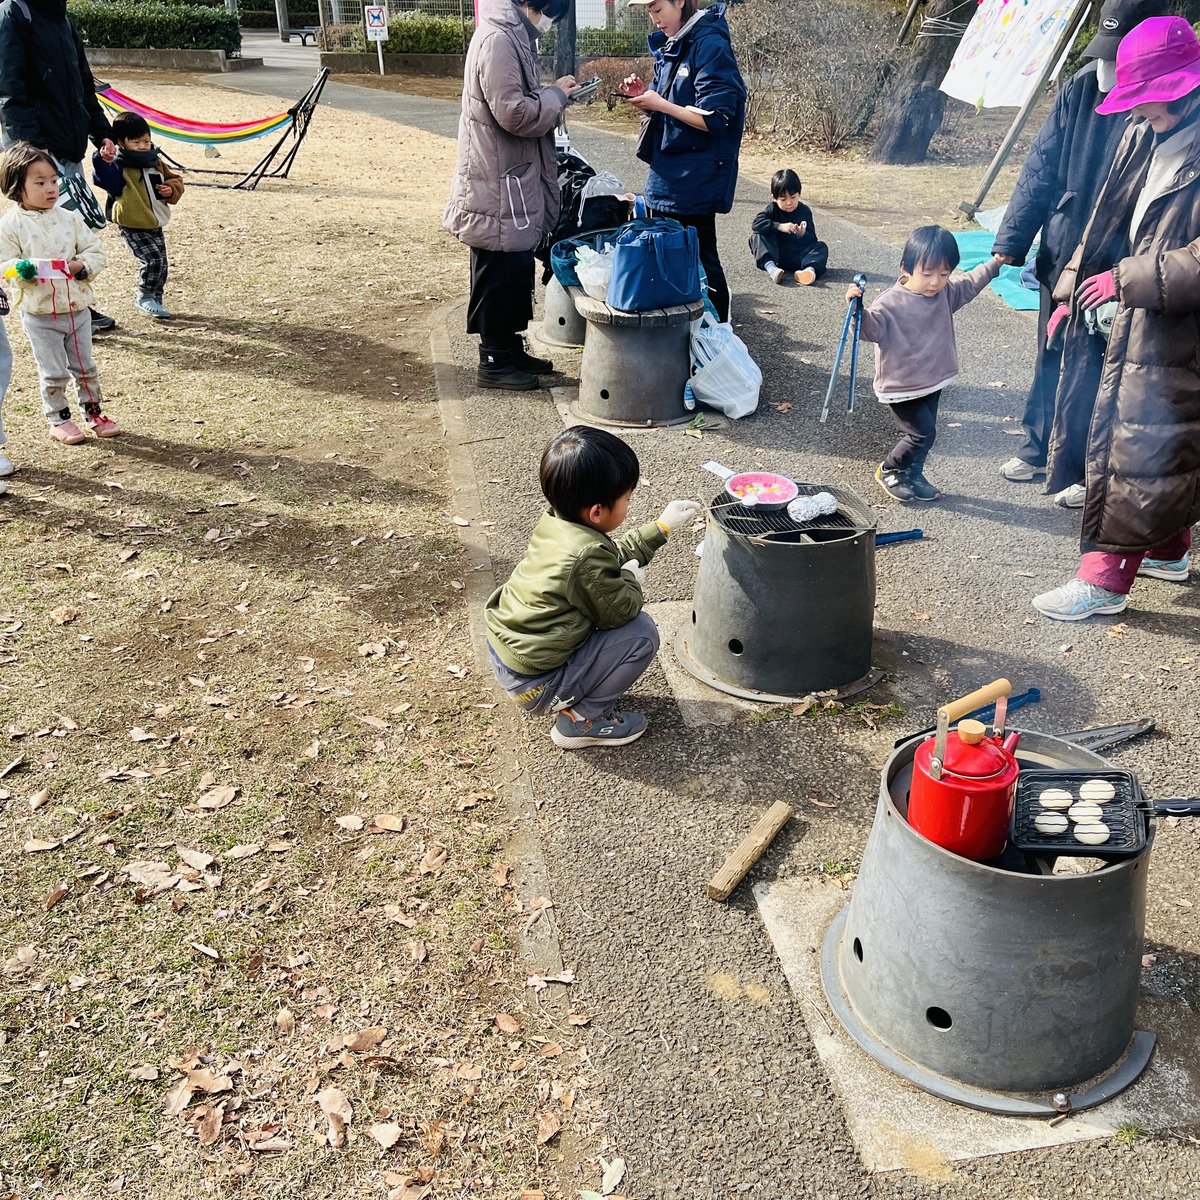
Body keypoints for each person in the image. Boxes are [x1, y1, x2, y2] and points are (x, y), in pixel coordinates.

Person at [1032, 16, 1200, 621]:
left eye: (1150, 104)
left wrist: (1128, 281)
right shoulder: (1139, 132)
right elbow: (1105, 217)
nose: (1140, 114)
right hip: (1124, 309)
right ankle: (1168, 548)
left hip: (1177, 324)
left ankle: (1103, 582)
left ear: (1185, 90)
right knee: (1160, 442)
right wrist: (1070, 293)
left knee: (1140, 442)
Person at [993, 0, 1167, 510]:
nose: (1111, 71)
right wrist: (1011, 241)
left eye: (1121, 56)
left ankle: (1080, 468)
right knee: (1050, 351)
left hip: (1124, 255)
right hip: (1068, 245)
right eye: (1106, 54)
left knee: (1099, 365)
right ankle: (1035, 446)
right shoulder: (1081, 84)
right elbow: (1041, 166)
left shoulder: (1168, 99)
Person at [485, 425, 702, 749]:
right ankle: (583, 720)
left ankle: (570, 696)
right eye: (627, 499)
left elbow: (607, 557)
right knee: (641, 633)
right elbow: (621, 610)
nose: (629, 504)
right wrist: (630, 579)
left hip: (511, 658)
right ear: (598, 512)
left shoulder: (559, 524)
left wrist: (661, 528)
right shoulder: (586, 553)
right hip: (537, 685)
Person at [443, 0, 578, 392]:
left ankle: (509, 348)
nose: (550, 22)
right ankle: (494, 360)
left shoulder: (512, 33)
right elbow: (513, 113)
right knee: (498, 270)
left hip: (509, 177)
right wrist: (554, 96)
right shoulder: (499, 39)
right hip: (496, 181)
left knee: (516, 267)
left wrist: (555, 94)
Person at [847, 225, 1003, 503]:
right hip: (902, 385)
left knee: (927, 434)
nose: (935, 282)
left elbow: (970, 283)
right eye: (927, 274)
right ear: (905, 268)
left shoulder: (945, 293)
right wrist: (857, 309)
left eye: (944, 274)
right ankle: (890, 468)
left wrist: (996, 263)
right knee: (922, 433)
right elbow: (867, 330)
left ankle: (913, 472)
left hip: (932, 381)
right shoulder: (889, 303)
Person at [620, 0, 745, 322]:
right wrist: (646, 99)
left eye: (657, 7)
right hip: (667, 171)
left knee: (700, 257)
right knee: (667, 257)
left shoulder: (710, 43)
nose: (653, 17)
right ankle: (682, 338)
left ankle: (719, 334)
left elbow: (716, 116)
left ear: (680, 1)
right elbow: (673, 105)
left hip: (696, 174)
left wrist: (660, 103)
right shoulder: (675, 42)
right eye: (647, 10)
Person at [0, 0, 118, 335]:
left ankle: (74, 302)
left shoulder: (61, 18)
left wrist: (101, 131)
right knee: (39, 233)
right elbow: (8, 87)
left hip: (66, 144)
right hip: (37, 149)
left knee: (71, 229)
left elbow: (83, 82)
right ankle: (47, 312)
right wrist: (32, 145)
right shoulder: (15, 11)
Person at [0, 141, 119, 444]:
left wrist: (82, 265)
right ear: (16, 186)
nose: (51, 188)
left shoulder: (69, 218)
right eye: (40, 182)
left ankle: (94, 412)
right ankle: (58, 418)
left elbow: (95, 252)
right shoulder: (10, 225)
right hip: (39, 314)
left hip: (76, 309)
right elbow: (4, 264)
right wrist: (21, 269)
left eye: (54, 180)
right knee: (53, 370)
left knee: (85, 366)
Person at [91, 110, 184, 320]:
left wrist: (171, 188)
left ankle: (155, 298)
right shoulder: (118, 164)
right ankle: (144, 295)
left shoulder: (155, 161)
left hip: (155, 221)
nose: (143, 146)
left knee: (162, 264)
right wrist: (102, 160)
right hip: (132, 223)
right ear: (121, 143)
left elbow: (175, 179)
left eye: (146, 141)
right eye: (136, 142)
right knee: (152, 260)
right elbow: (105, 180)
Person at [749, 167, 829, 286]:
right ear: (774, 198)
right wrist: (780, 226)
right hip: (776, 254)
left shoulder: (804, 211)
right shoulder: (772, 209)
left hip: (798, 256)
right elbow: (756, 224)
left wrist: (802, 234)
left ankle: (808, 271)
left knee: (821, 247)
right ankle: (772, 269)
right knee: (756, 236)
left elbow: (812, 239)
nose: (789, 202)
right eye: (783, 199)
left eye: (793, 197)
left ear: (799, 195)